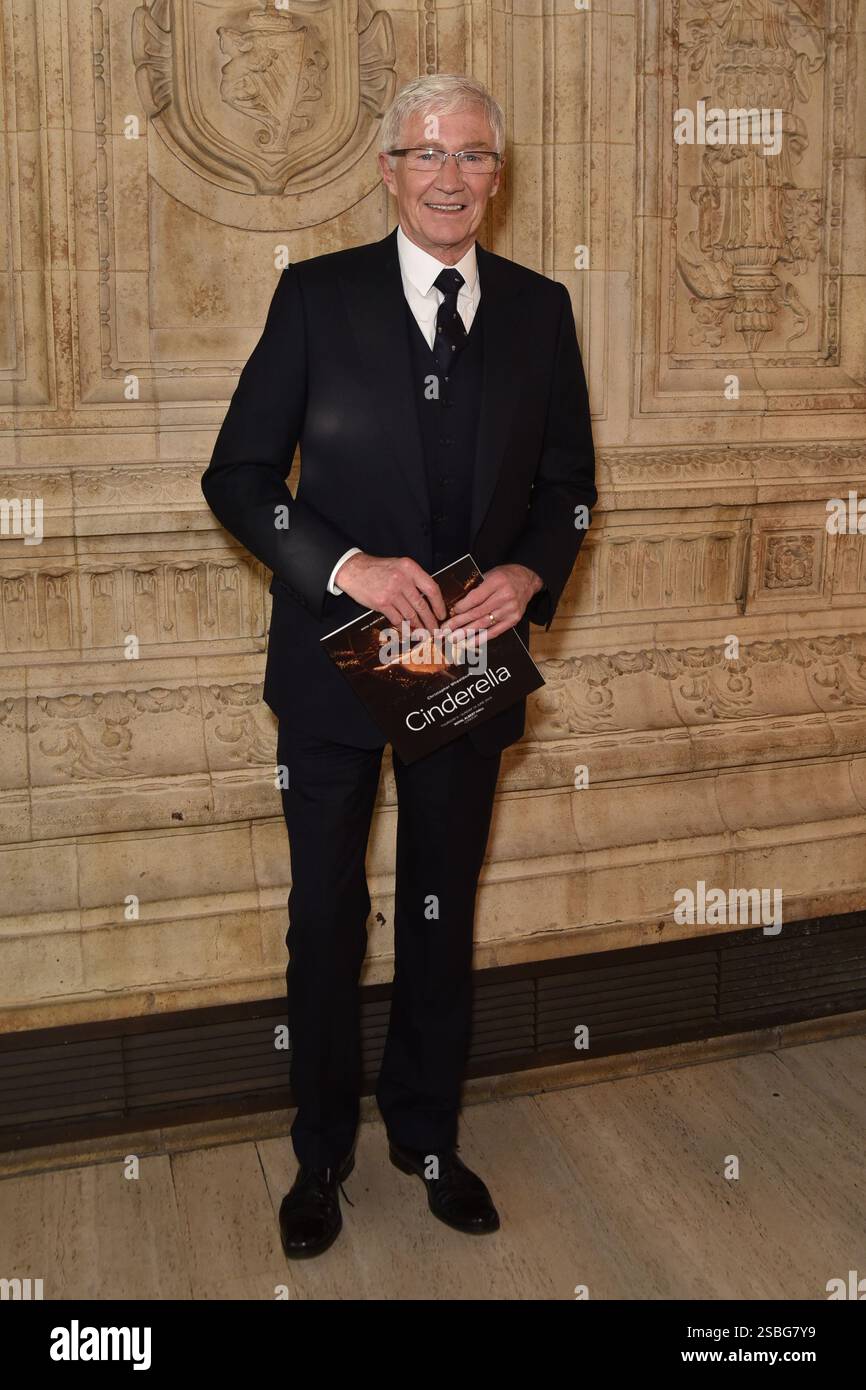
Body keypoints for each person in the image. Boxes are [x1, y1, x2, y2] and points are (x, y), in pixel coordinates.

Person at [201, 72, 596, 1260]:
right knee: (324, 914)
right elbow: (236, 476)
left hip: (464, 665)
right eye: (425, 152)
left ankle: (426, 1135)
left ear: (496, 175)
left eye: (472, 154)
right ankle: (319, 1152)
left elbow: (570, 491)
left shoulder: (538, 310)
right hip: (335, 666)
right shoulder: (315, 299)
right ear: (386, 170)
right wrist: (348, 566)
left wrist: (527, 577)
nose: (448, 174)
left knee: (438, 906)